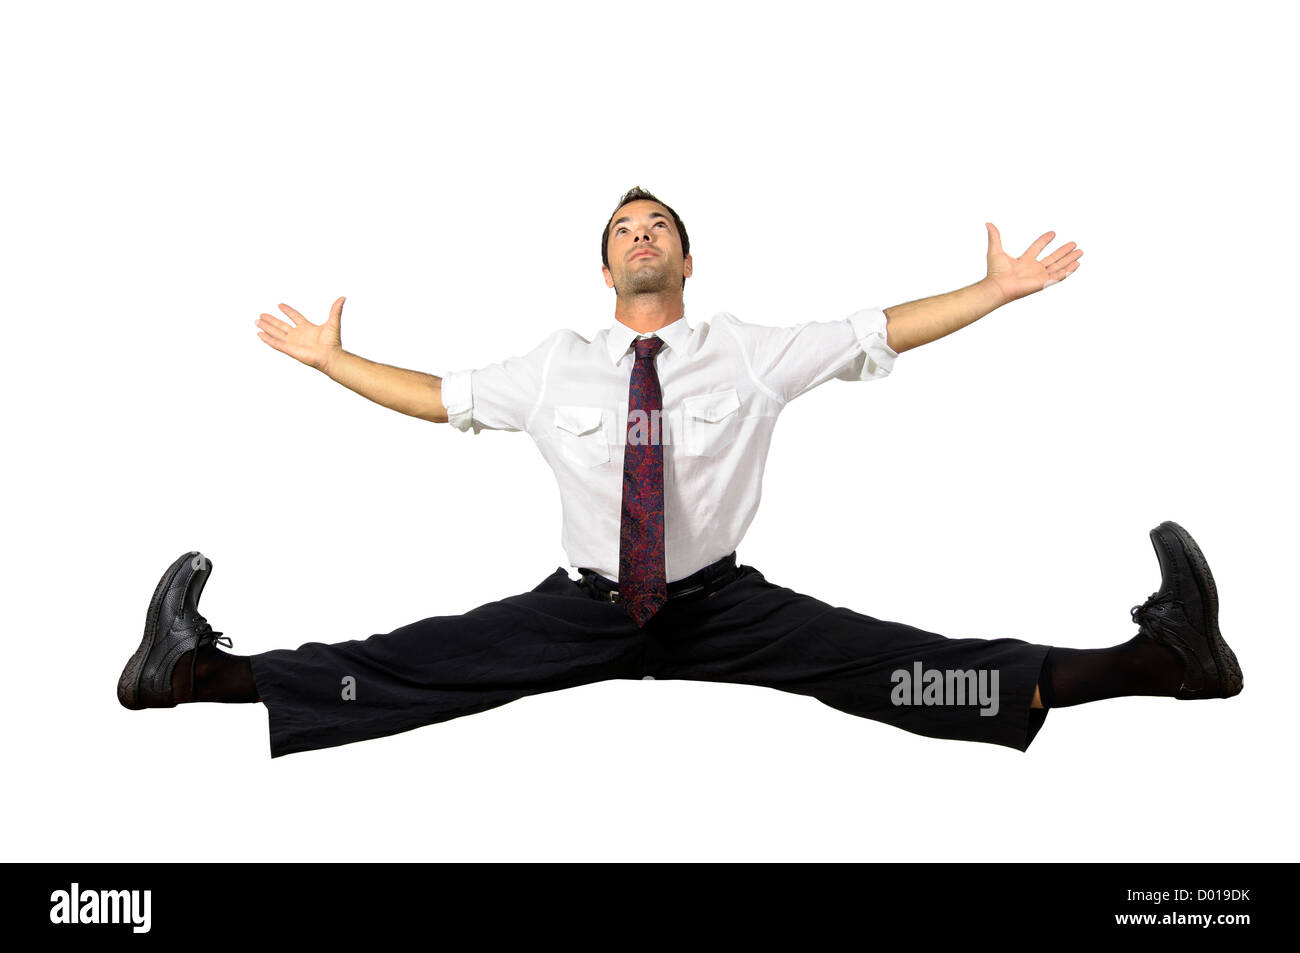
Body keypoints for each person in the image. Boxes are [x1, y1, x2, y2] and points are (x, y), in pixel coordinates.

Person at [116, 186, 1243, 758]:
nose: (639, 232)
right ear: (604, 264)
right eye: (622, 226)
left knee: (911, 673)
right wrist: (329, 361)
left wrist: (990, 291)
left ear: (686, 258)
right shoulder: (552, 366)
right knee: (409, 668)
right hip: (584, 608)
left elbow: (875, 328)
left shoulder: (746, 350)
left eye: (657, 223)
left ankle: (1164, 661)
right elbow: (435, 395)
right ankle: (188, 676)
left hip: (722, 606)